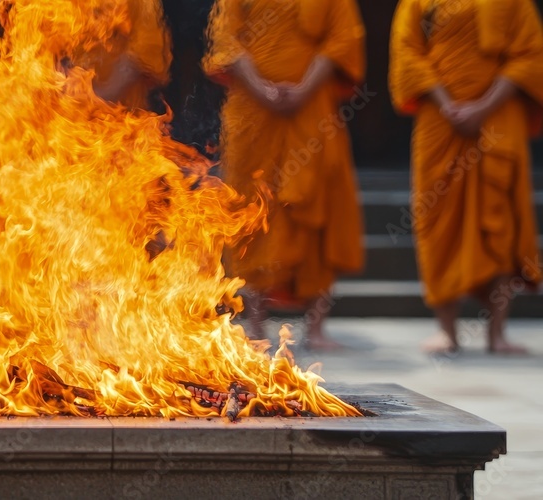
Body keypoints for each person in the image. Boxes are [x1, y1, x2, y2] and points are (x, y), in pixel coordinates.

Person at [202, 0, 366, 349]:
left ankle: (316, 327)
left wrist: (304, 88)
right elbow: (227, 40)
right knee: (251, 211)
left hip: (313, 107)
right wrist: (261, 88)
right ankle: (255, 323)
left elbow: (341, 40)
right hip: (251, 109)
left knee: (319, 206)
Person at [389, 0, 543, 355]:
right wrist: (447, 104)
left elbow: (528, 56)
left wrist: (484, 105)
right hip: (440, 119)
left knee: (500, 220)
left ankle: (497, 333)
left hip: (500, 116)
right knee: (438, 219)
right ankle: (447, 331)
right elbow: (407, 50)